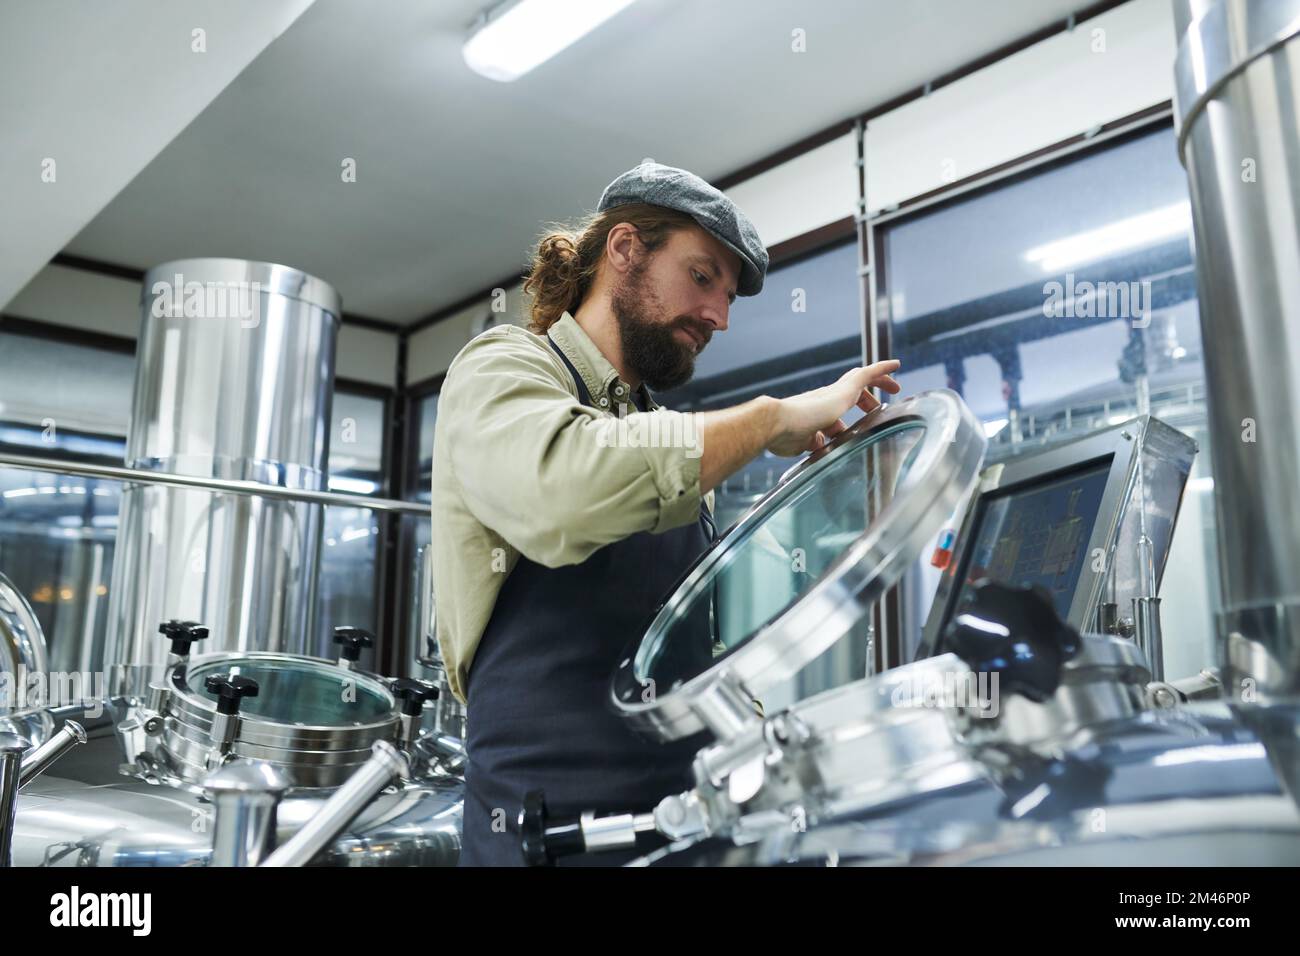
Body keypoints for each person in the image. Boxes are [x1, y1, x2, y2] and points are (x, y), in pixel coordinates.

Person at [431, 161, 901, 865]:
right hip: (542, 829)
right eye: (703, 276)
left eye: (730, 297)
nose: (719, 315)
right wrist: (770, 419)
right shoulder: (503, 369)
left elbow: (699, 651)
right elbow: (568, 491)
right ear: (624, 249)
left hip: (678, 824)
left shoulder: (674, 448)